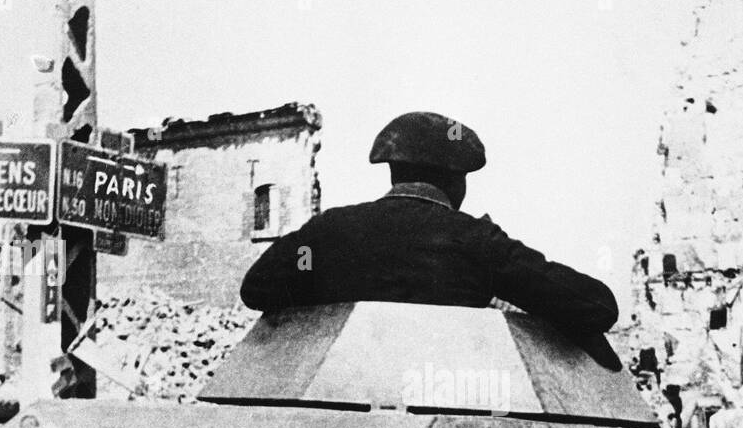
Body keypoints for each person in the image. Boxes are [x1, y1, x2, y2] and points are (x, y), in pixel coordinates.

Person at [239, 111, 619, 335]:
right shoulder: (474, 241)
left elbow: (257, 289)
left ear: (394, 171)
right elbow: (595, 306)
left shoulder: (328, 232)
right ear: (456, 179)